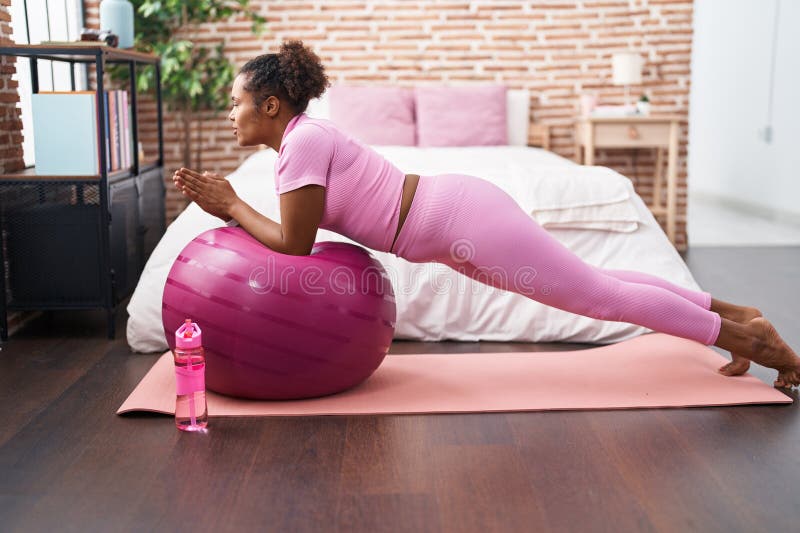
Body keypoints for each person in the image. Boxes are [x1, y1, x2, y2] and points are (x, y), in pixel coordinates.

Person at [173, 40, 800, 389]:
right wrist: (230, 201)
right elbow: (296, 235)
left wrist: (229, 202)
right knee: (598, 285)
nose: (231, 113)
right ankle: (737, 315)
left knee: (600, 299)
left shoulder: (304, 142)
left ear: (274, 105)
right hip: (453, 223)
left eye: (238, 103)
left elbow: (295, 245)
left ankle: (765, 348)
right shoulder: (298, 144)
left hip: (460, 222)